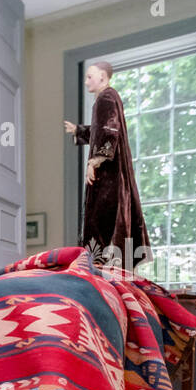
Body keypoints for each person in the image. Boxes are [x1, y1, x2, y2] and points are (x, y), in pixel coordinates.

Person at [63, 61, 149, 270]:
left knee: (101, 223)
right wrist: (78, 131)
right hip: (112, 176)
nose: (86, 82)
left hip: (108, 178)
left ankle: (99, 269)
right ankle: (102, 266)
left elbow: (110, 130)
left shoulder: (106, 97)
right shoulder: (109, 98)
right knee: (104, 223)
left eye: (90, 77)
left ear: (103, 76)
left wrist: (95, 161)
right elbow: (100, 129)